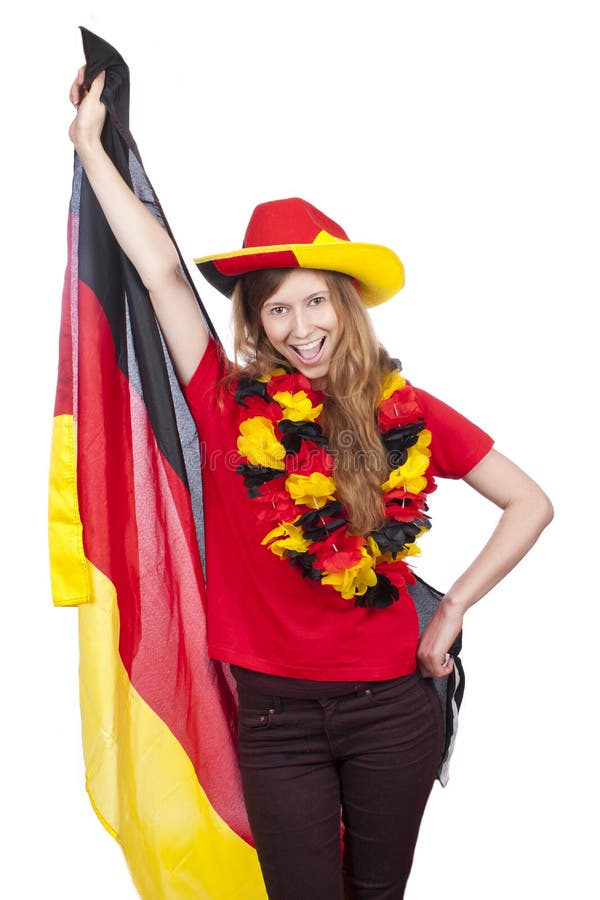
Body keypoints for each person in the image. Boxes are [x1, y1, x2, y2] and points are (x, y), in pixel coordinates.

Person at [68, 68, 553, 900]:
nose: (302, 328)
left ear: (346, 305)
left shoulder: (408, 413)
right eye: (277, 311)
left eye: (316, 302)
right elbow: (161, 276)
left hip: (393, 710)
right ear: (255, 323)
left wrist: (457, 609)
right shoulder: (225, 405)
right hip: (274, 720)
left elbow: (530, 502)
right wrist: (87, 144)